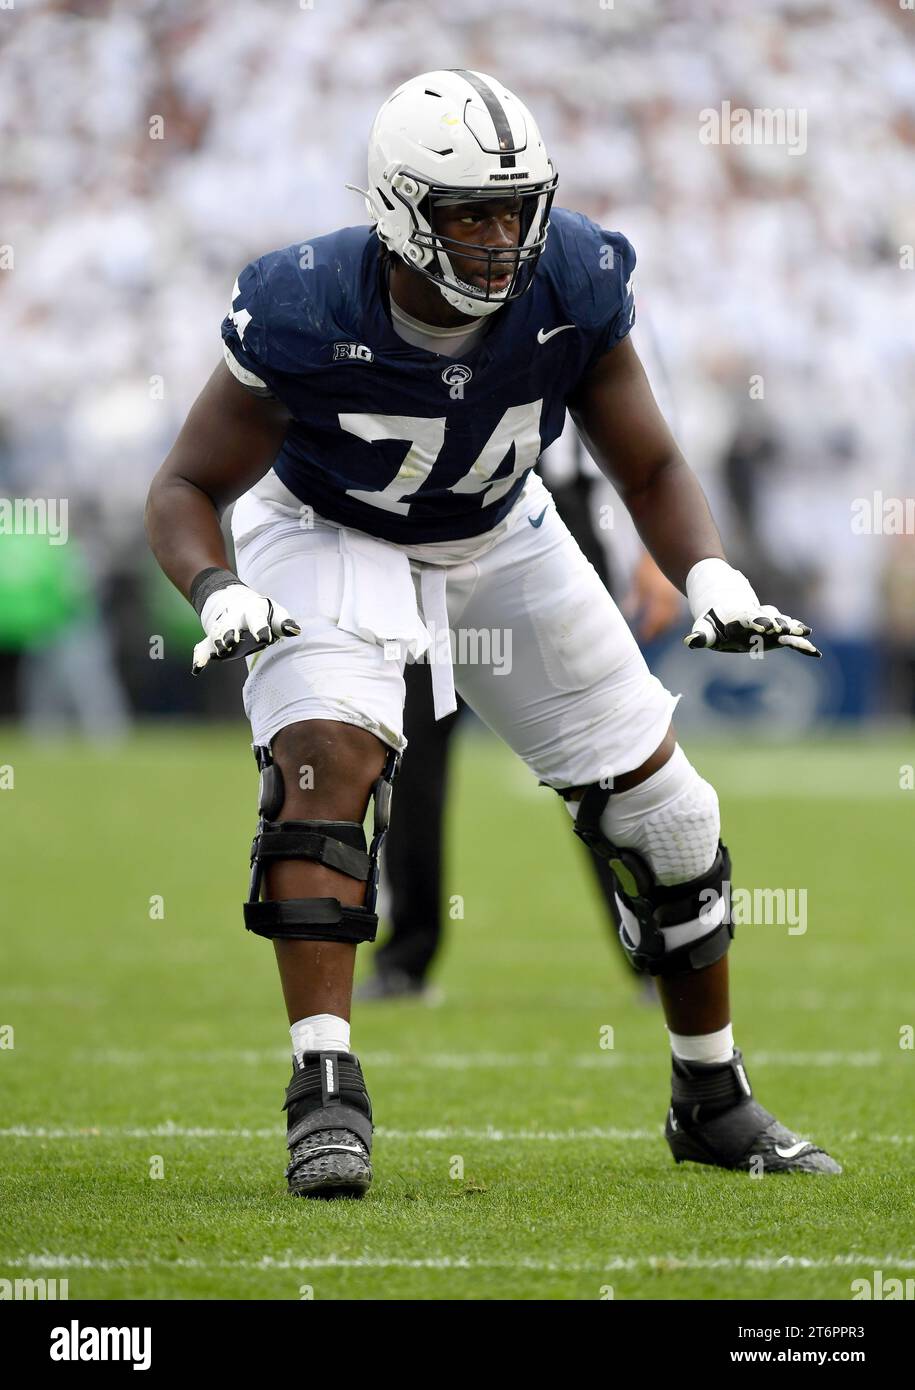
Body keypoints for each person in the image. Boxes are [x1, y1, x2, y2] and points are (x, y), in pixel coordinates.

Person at [145, 69, 838, 1197]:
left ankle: (712, 1098)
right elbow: (182, 484)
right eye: (470, 214)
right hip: (328, 526)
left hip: (499, 529)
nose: (501, 239)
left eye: (515, 210)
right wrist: (216, 586)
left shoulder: (572, 277)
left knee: (671, 817)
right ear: (400, 208)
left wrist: (708, 573)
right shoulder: (304, 302)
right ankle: (325, 1089)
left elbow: (649, 462)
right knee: (324, 767)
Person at [359, 420, 681, 1004]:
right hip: (429, 515)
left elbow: (645, 424)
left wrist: (654, 551)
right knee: (410, 747)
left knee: (600, 747)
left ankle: (655, 953)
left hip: (551, 517)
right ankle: (406, 957)